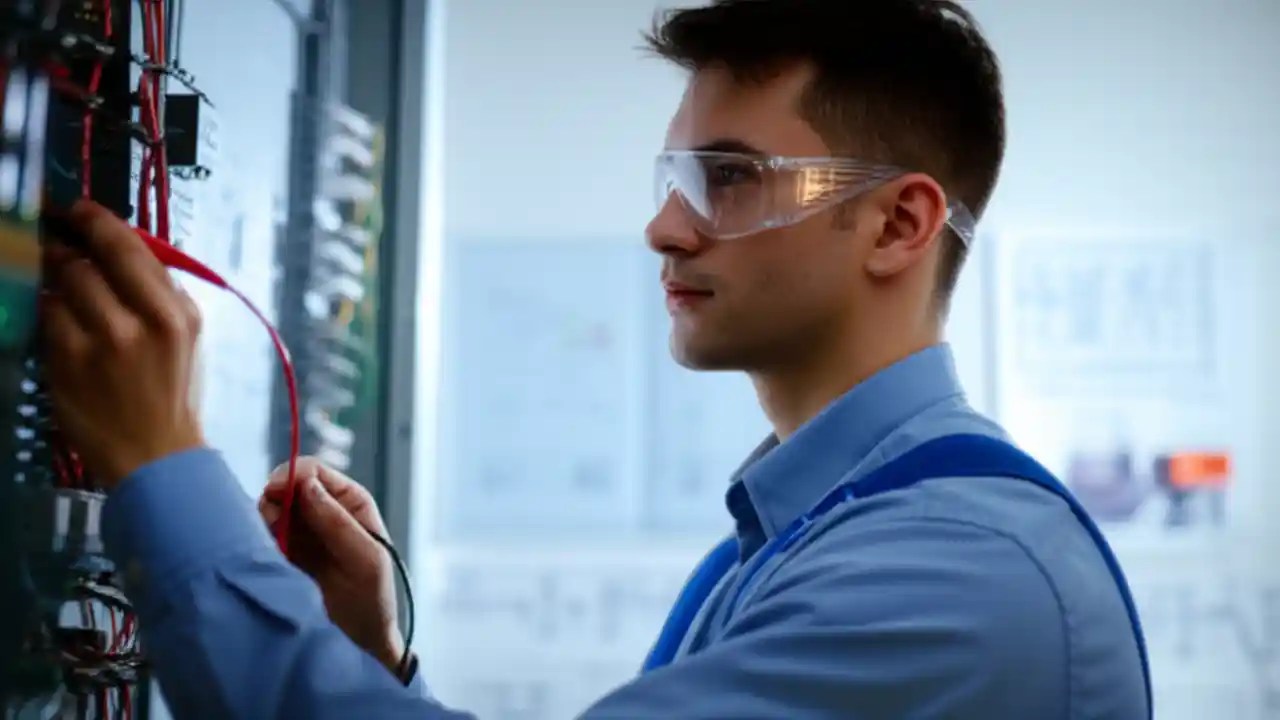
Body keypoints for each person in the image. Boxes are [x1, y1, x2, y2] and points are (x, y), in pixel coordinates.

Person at [40, 1, 1149, 718]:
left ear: (900, 226)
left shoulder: (955, 577)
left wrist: (160, 465)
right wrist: (372, 662)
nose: (664, 229)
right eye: (672, 179)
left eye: (729, 177)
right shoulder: (827, 529)